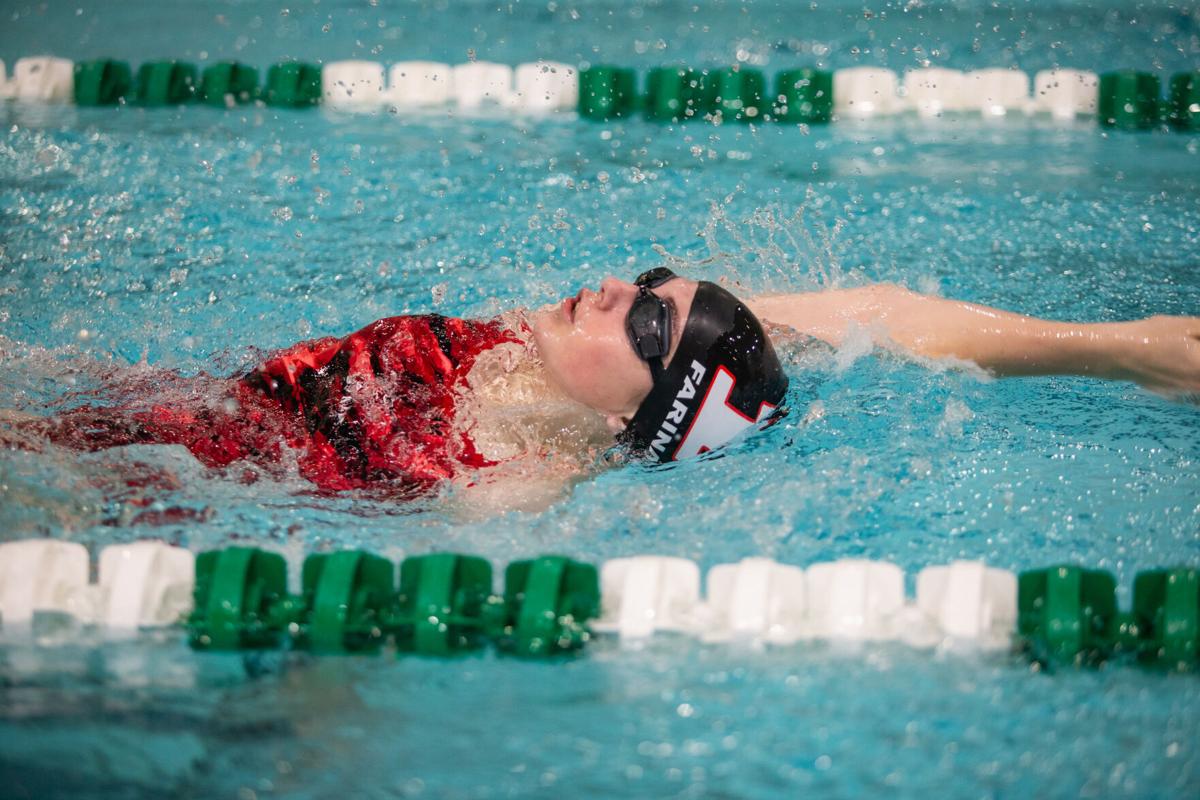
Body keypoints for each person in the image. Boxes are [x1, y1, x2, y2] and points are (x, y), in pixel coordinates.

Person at [6, 270, 1198, 511]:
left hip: (136, 478)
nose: (612, 288)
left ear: (649, 408)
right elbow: (879, 312)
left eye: (645, 320)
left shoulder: (504, 485)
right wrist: (1124, 345)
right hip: (153, 398)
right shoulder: (538, 360)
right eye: (647, 280)